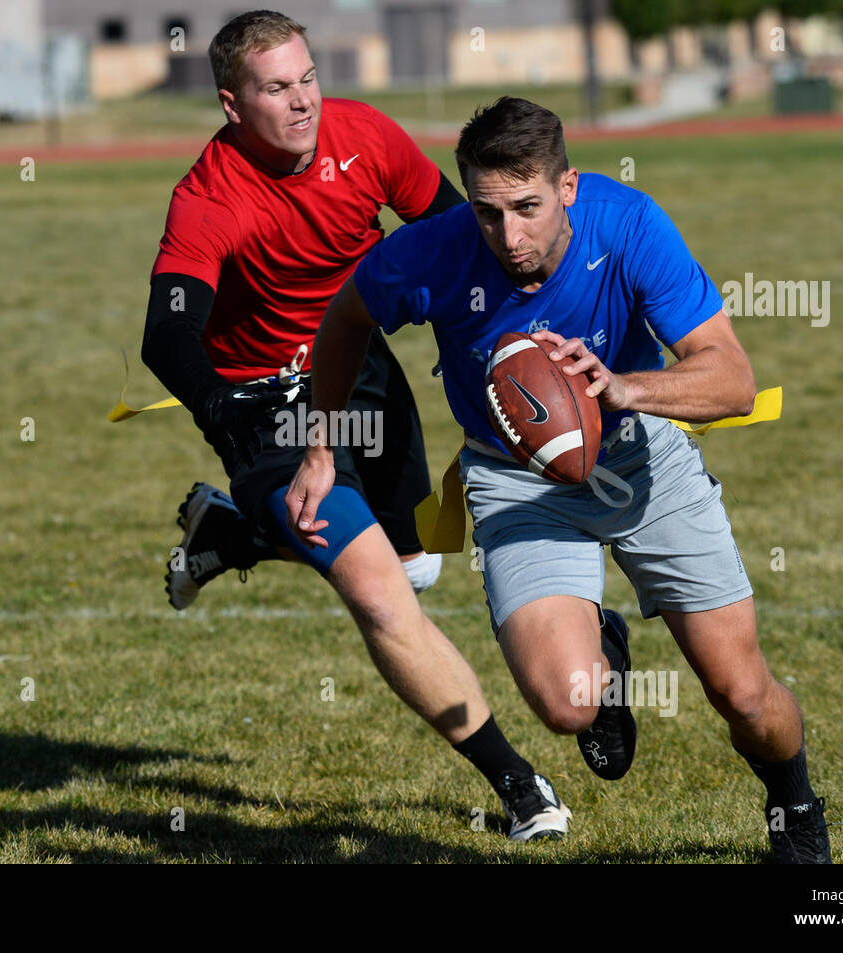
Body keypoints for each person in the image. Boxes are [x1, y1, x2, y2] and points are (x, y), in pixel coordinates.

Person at [286, 96, 832, 863]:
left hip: (640, 455)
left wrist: (625, 388)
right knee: (568, 703)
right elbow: (343, 320)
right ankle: (602, 659)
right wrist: (320, 449)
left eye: (527, 208)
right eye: (487, 211)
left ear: (568, 188)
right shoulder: (432, 253)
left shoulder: (630, 224)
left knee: (741, 693)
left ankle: (794, 800)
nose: (509, 236)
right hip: (513, 479)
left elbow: (733, 380)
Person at [140, 14, 572, 840]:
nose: (302, 101)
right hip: (266, 405)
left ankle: (231, 537)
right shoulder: (208, 197)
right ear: (233, 104)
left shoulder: (366, 136)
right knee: (377, 591)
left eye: (308, 78)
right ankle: (518, 782)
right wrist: (225, 417)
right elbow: (168, 333)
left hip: (363, 376)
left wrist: (523, 337)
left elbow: (459, 238)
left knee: (414, 572)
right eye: (277, 88)